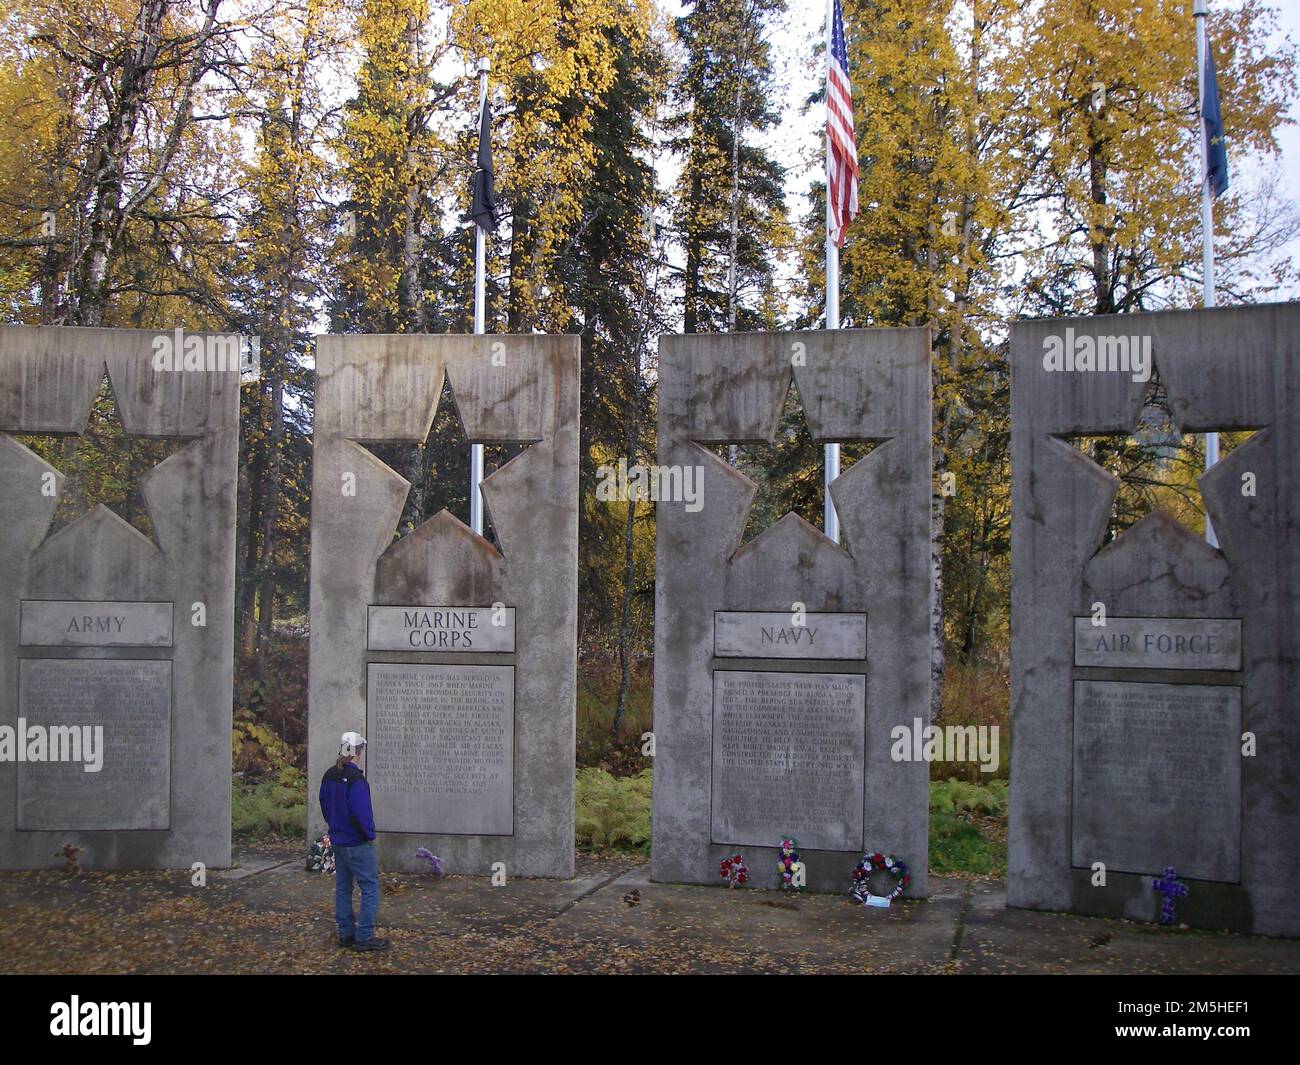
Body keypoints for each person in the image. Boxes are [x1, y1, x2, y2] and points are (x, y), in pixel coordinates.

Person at [319, 731, 388, 952]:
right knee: (369, 887)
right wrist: (369, 835)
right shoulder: (357, 779)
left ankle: (346, 933)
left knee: (343, 887)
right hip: (356, 842)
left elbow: (324, 804)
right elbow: (362, 813)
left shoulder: (329, 775)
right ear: (358, 752)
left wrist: (334, 826)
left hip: (338, 840)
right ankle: (365, 936)